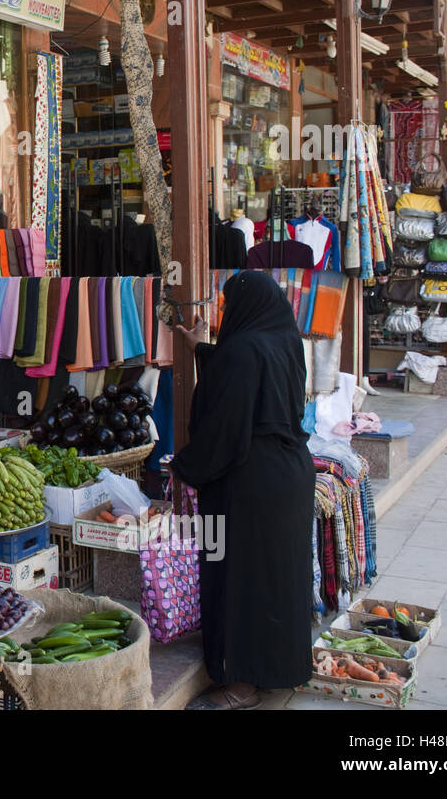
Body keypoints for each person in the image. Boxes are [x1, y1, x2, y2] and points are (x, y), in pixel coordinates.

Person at [170, 270, 314, 710]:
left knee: (242, 580)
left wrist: (184, 467)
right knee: (279, 580)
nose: (225, 313)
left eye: (228, 306)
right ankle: (281, 669)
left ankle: (242, 684)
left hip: (251, 485)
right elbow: (249, 381)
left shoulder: (242, 351)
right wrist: (201, 349)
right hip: (289, 476)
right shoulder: (285, 342)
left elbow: (225, 429)